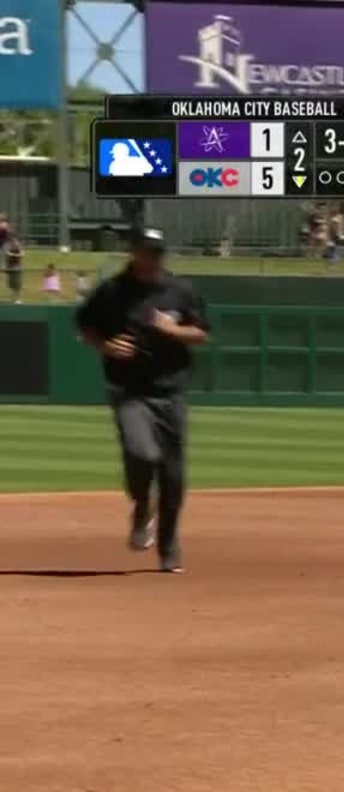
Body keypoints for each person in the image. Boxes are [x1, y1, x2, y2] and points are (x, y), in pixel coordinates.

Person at [73, 228, 212, 573]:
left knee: (173, 476)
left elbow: (201, 333)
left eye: (158, 252)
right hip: (129, 390)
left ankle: (169, 547)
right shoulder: (112, 291)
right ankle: (141, 506)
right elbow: (84, 325)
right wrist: (104, 345)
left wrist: (173, 330)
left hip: (171, 392)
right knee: (141, 452)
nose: (153, 258)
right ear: (133, 252)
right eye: (147, 251)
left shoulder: (181, 290)